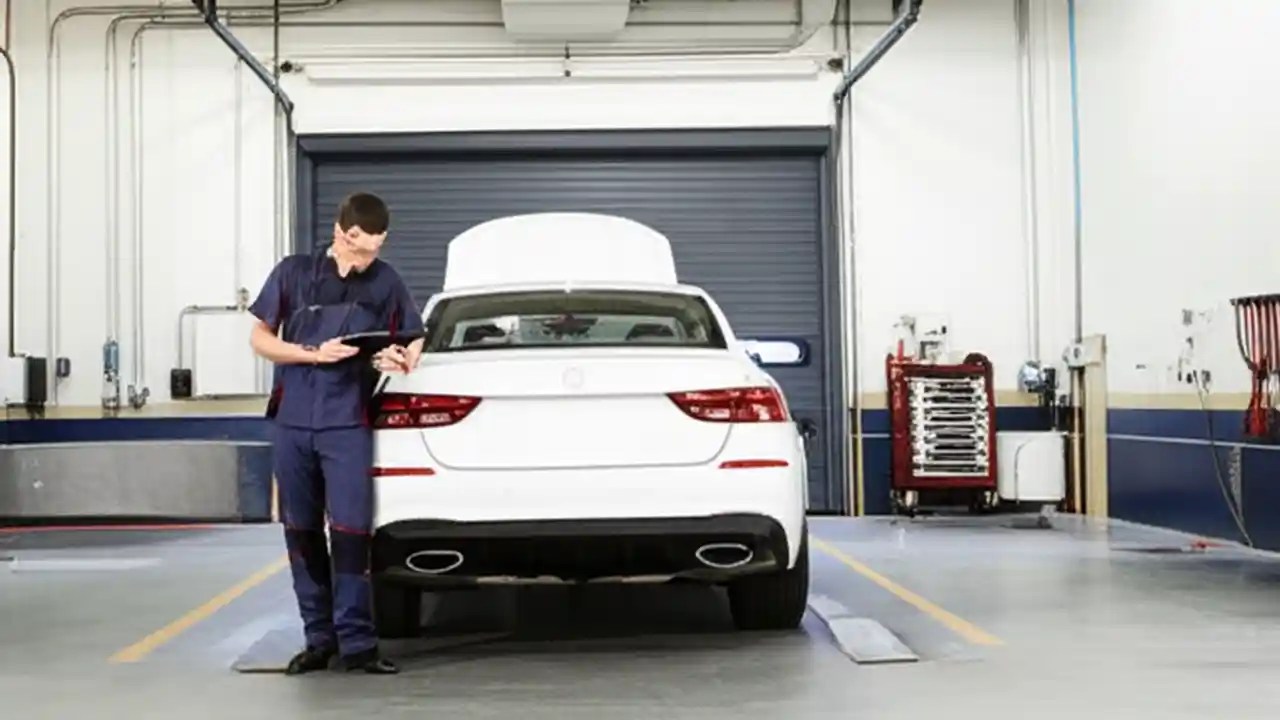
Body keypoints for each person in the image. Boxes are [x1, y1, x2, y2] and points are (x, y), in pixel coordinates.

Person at [247, 191, 425, 675]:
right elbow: (259, 338)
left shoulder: (385, 281)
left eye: (378, 247)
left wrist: (403, 357)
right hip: (292, 423)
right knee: (302, 534)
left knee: (350, 535)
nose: (370, 257)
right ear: (341, 233)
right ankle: (318, 639)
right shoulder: (293, 272)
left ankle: (359, 645)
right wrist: (310, 354)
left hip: (348, 423)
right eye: (362, 247)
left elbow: (412, 335)